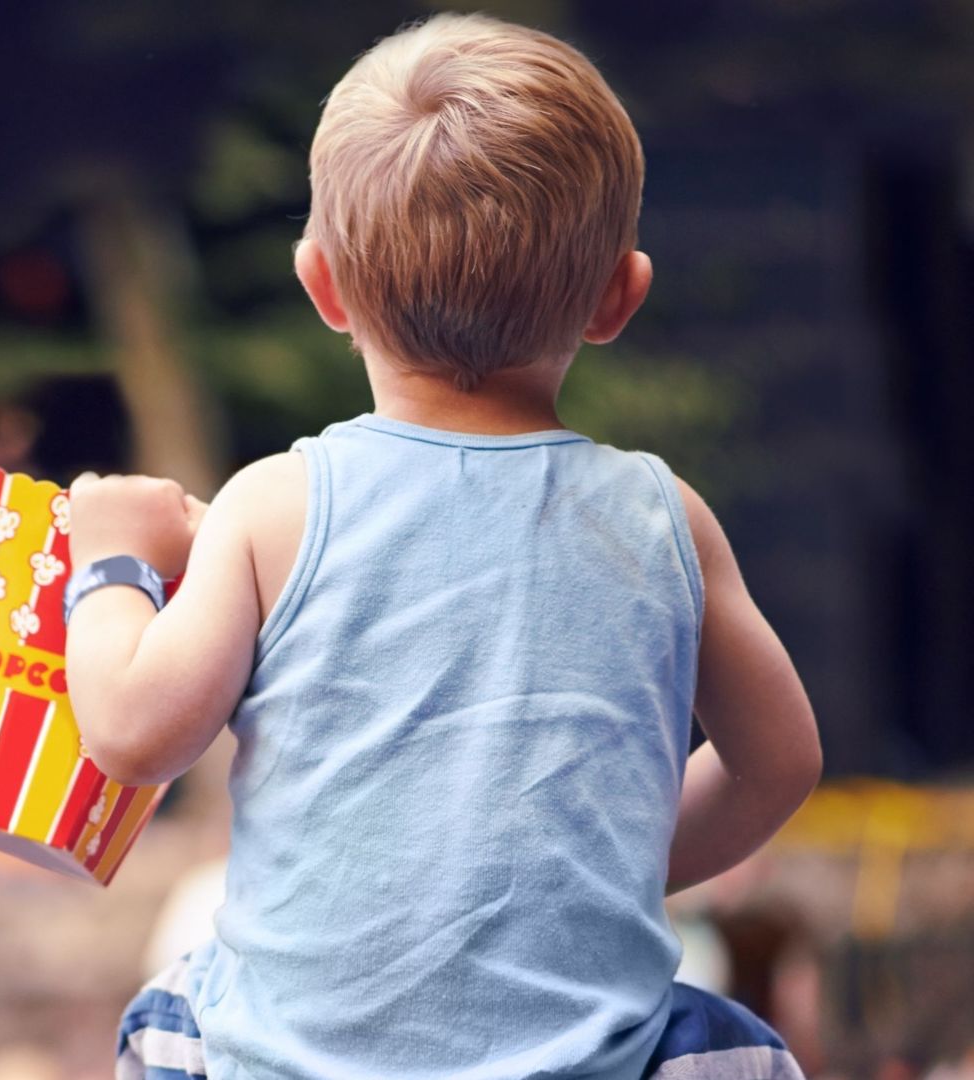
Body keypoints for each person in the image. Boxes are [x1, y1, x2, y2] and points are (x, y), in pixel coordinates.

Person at [60, 14, 822, 1080]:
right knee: (730, 1045)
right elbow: (780, 761)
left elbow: (132, 733)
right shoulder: (665, 519)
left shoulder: (271, 508)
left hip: (290, 1064)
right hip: (586, 1062)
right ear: (619, 296)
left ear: (320, 284)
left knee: (171, 1010)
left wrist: (112, 567)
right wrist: (601, 877)